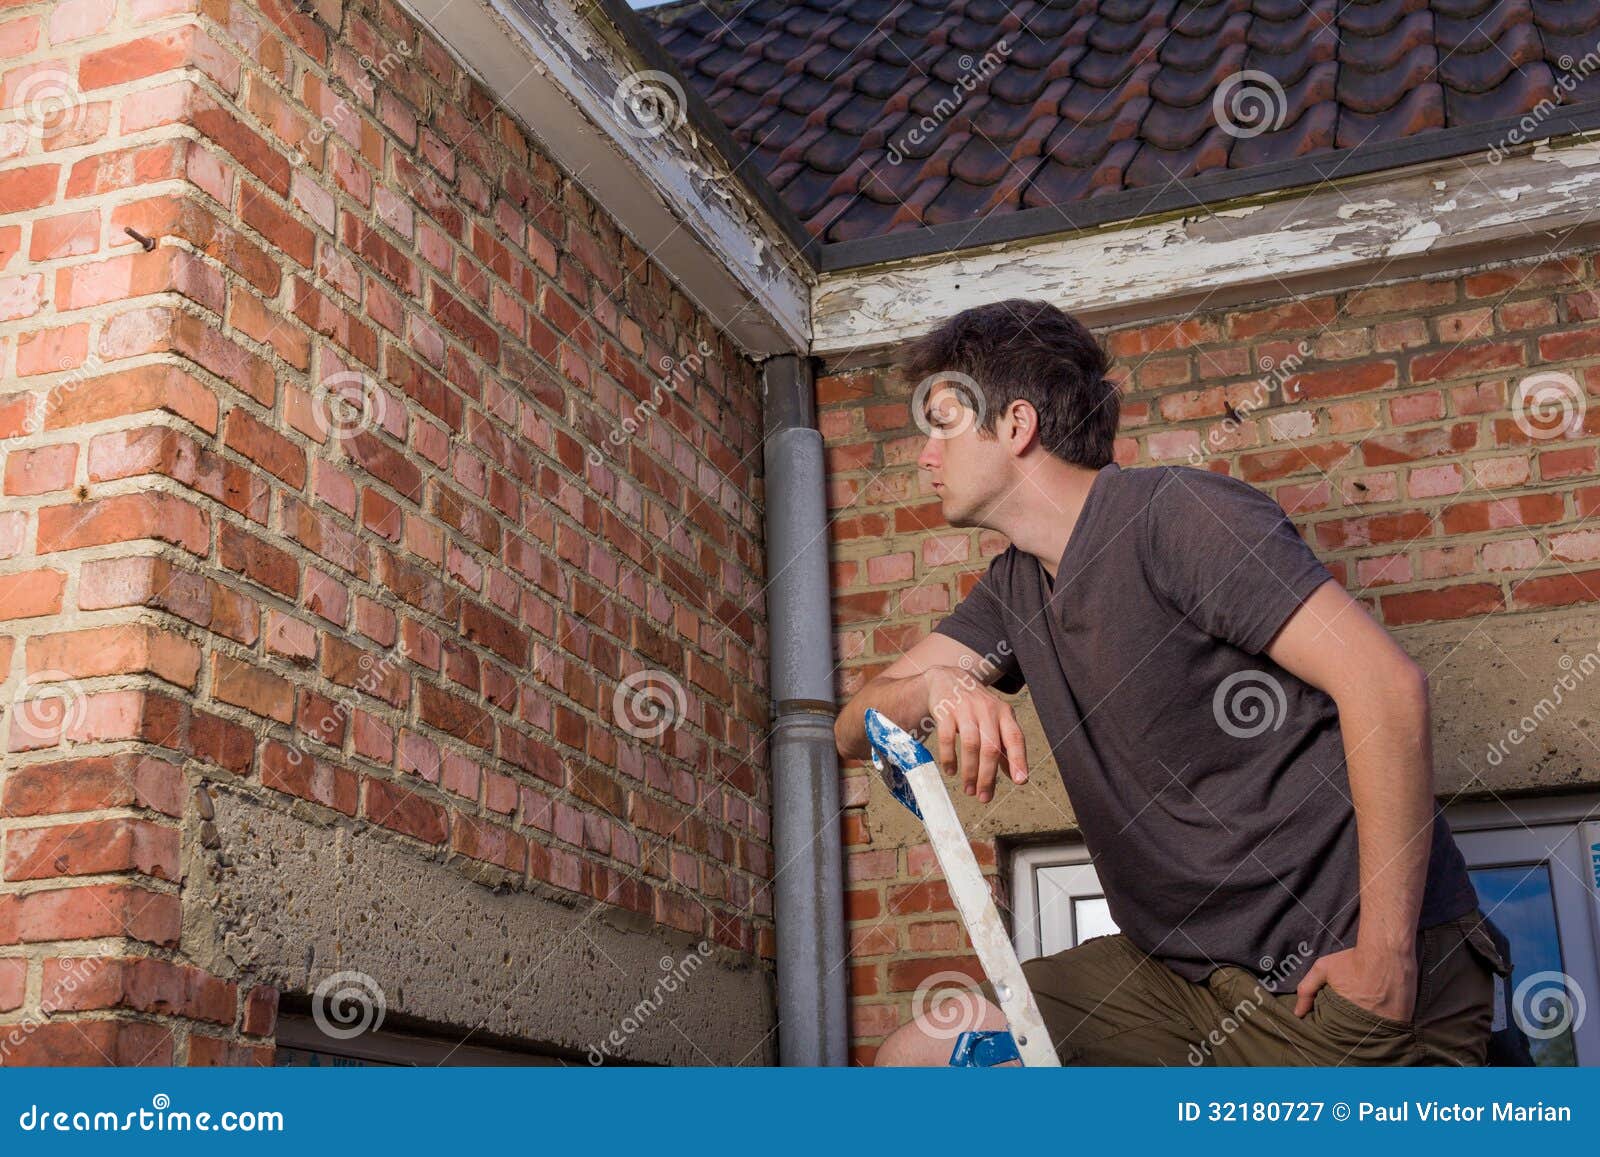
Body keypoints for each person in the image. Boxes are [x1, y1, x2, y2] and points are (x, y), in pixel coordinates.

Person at [833, 299, 1513, 1066]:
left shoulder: (1177, 517)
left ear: (1016, 425)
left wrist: (1385, 956)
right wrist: (935, 690)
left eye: (944, 422)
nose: (924, 456)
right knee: (925, 1052)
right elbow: (853, 727)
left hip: (1336, 969)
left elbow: (1388, 688)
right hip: (1181, 981)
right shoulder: (1013, 589)